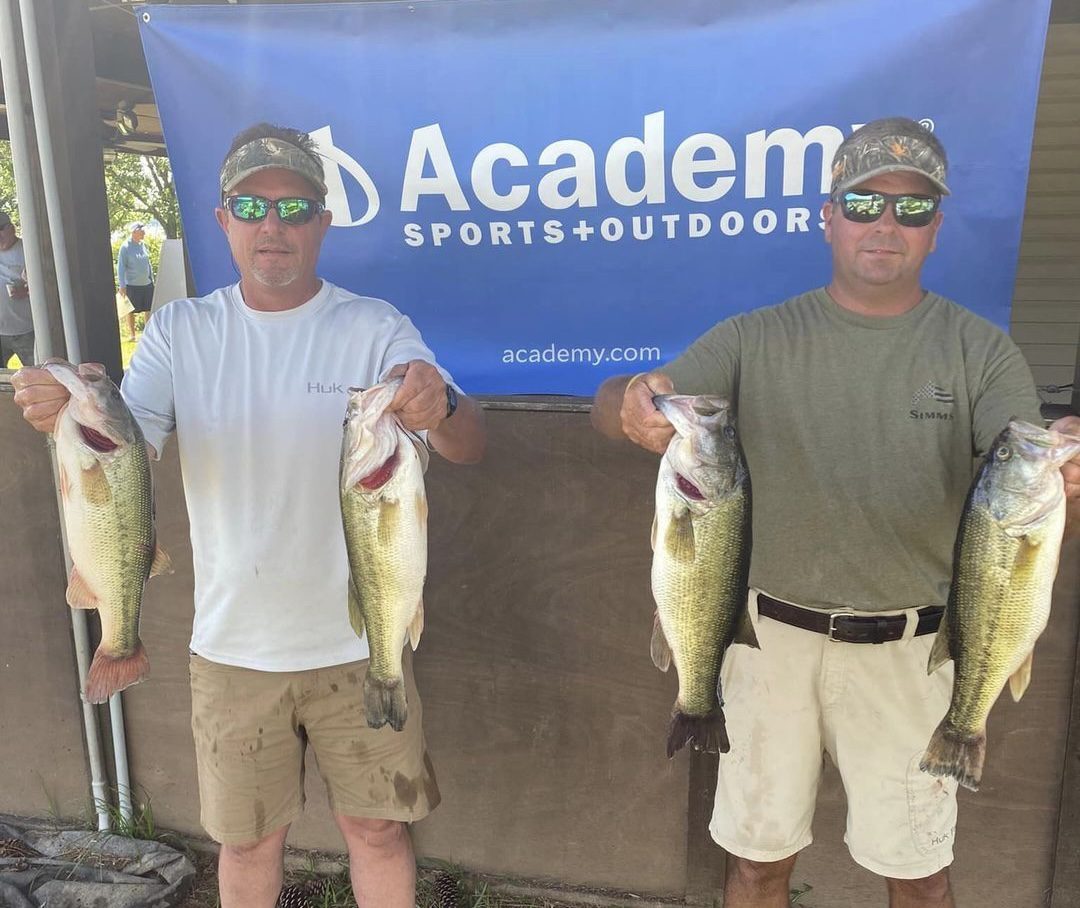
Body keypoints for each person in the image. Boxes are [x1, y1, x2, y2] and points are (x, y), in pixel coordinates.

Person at [592, 117, 1080, 908]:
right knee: (755, 864)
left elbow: (1022, 495)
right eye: (864, 202)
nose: (886, 223)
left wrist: (1068, 469)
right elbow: (623, 401)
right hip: (765, 641)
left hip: (912, 652)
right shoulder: (756, 337)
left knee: (918, 873)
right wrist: (630, 404)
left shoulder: (982, 351)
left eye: (912, 209)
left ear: (936, 231)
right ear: (827, 217)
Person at [14, 122, 486, 908]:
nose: (274, 225)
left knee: (376, 831)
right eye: (251, 205)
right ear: (222, 219)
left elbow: (470, 444)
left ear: (323, 225)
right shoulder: (180, 332)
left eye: (296, 206)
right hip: (231, 650)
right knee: (247, 843)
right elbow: (131, 450)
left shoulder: (373, 328)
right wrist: (64, 415)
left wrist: (440, 404)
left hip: (360, 640)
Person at [0, 210, 34, 369]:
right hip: (1, 332)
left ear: (11, 228)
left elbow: (49, 284)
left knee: (37, 376)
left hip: (25, 330)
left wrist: (26, 291)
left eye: (1, 229)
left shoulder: (29, 251)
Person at [116, 221, 155, 342]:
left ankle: (147, 333)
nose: (144, 232)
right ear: (134, 232)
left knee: (148, 309)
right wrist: (122, 285)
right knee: (131, 311)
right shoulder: (125, 247)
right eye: (141, 230)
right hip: (132, 284)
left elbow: (148, 264)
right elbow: (121, 267)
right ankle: (132, 335)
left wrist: (152, 279)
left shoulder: (143, 245)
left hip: (147, 283)